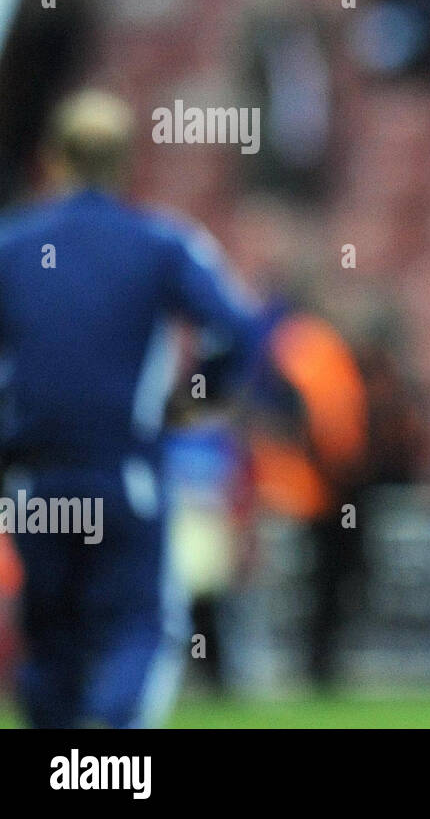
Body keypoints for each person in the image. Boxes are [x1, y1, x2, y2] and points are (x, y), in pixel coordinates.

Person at [0, 89, 261, 727]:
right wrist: (193, 401)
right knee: (138, 629)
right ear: (125, 161)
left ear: (51, 159)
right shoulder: (158, 242)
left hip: (35, 481)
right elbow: (236, 329)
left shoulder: (11, 246)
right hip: (124, 472)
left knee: (53, 638)